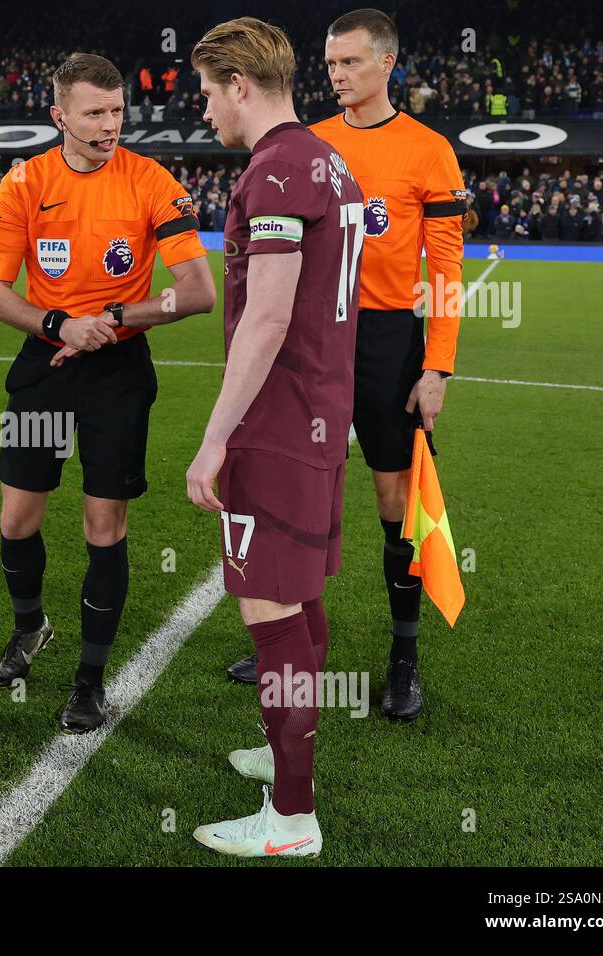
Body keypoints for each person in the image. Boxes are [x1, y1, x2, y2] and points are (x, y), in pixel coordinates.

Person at [225, 8, 466, 723]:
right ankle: (292, 645)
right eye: (329, 65)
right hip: (311, 333)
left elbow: (446, 270)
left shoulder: (429, 151)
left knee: (395, 502)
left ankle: (403, 658)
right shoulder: (308, 144)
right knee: (301, 489)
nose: (336, 76)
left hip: (389, 341)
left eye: (350, 63)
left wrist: (438, 367)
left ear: (388, 64)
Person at [0, 53, 214, 733]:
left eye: (116, 112)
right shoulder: (24, 182)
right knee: (17, 518)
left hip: (117, 373)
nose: (111, 125)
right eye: (94, 113)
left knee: (103, 526)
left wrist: (115, 319)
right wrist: (59, 324)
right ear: (59, 117)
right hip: (44, 365)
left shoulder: (150, 180)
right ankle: (30, 628)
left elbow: (198, 291)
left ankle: (90, 678)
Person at [185, 15, 363, 858]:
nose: (206, 111)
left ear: (239, 85)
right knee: (303, 596)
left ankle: (293, 815)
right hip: (323, 409)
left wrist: (215, 438)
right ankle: (286, 756)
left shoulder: (279, 168)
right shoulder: (329, 159)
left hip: (280, 419)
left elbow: (266, 317)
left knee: (270, 608)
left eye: (208, 93)